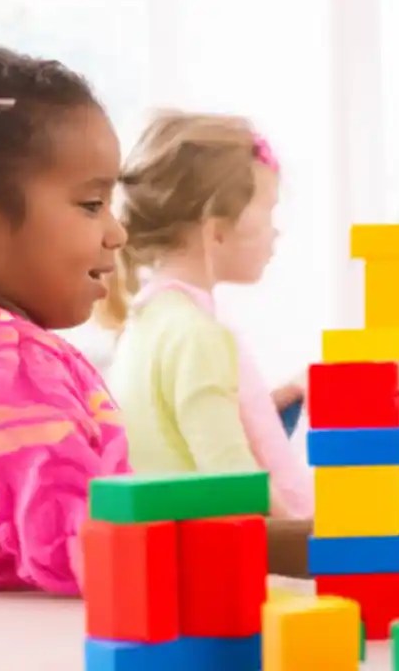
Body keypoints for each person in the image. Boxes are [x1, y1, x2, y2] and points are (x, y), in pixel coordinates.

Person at [0, 41, 130, 593]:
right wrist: (282, 543)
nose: (117, 232)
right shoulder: (11, 359)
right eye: (90, 205)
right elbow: (82, 542)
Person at [97, 111, 312, 520]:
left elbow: (181, 441)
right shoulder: (196, 335)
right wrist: (312, 552)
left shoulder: (147, 322)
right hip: (240, 570)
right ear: (215, 230)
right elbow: (234, 484)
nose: (276, 232)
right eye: (269, 212)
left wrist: (275, 401)